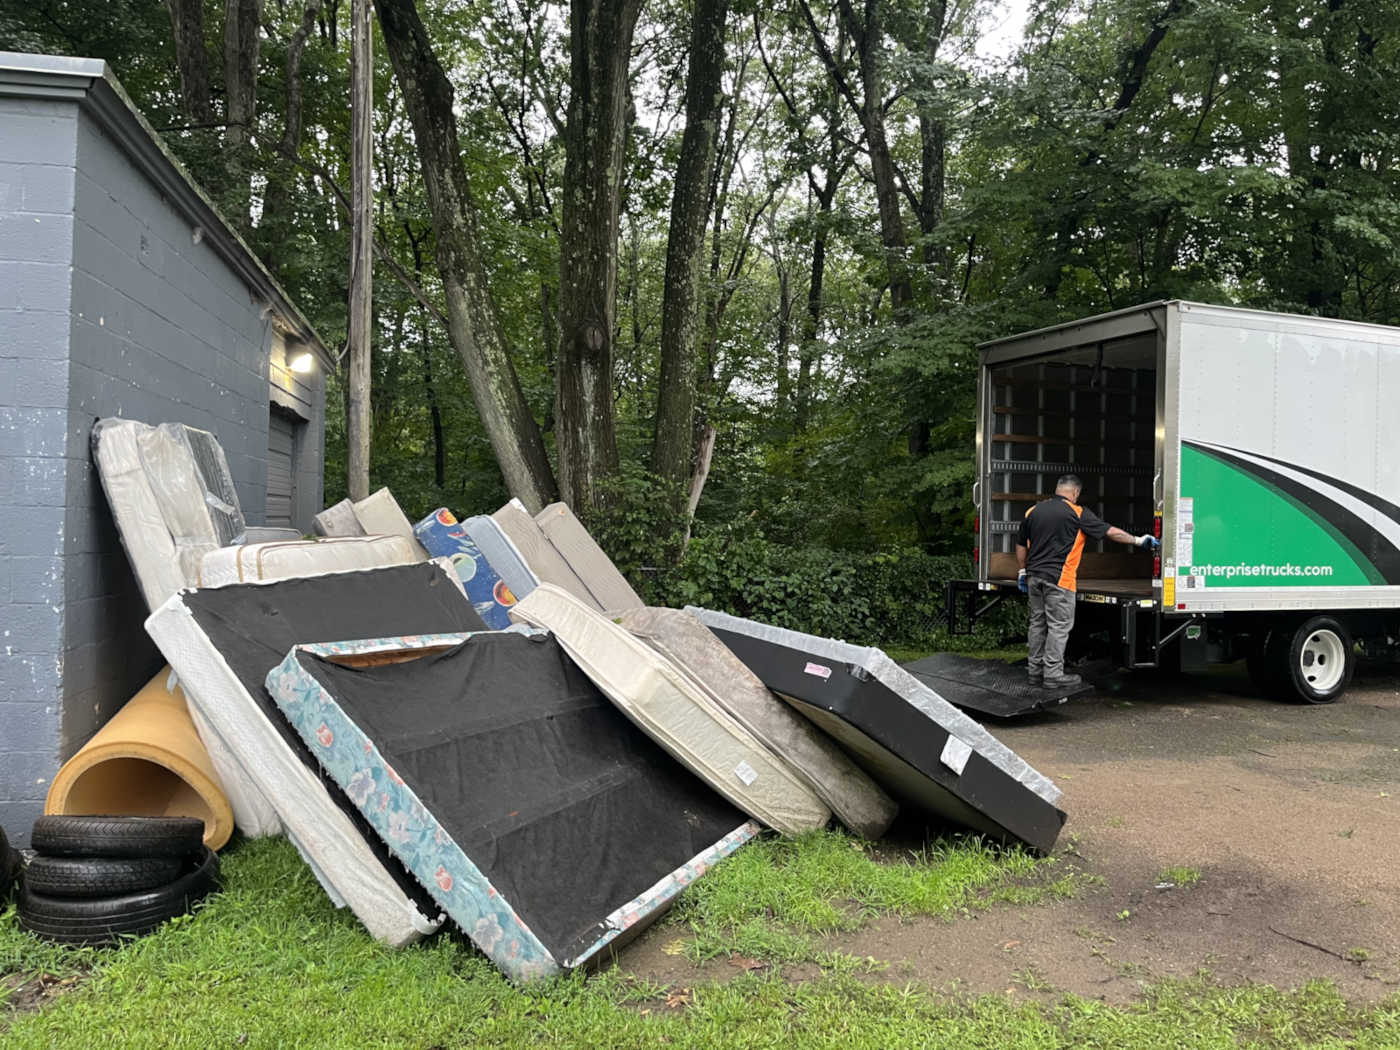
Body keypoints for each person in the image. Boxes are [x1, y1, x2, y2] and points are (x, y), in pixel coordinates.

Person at [1016, 474, 1157, 689]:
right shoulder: (1078, 513)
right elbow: (1110, 533)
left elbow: (1020, 545)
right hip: (1059, 579)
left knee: (1038, 623)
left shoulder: (1033, 511)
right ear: (1075, 493)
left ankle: (1035, 671)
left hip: (1034, 577)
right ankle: (1053, 674)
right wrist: (1139, 540)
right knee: (1058, 626)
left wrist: (1022, 571)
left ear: (1058, 489)